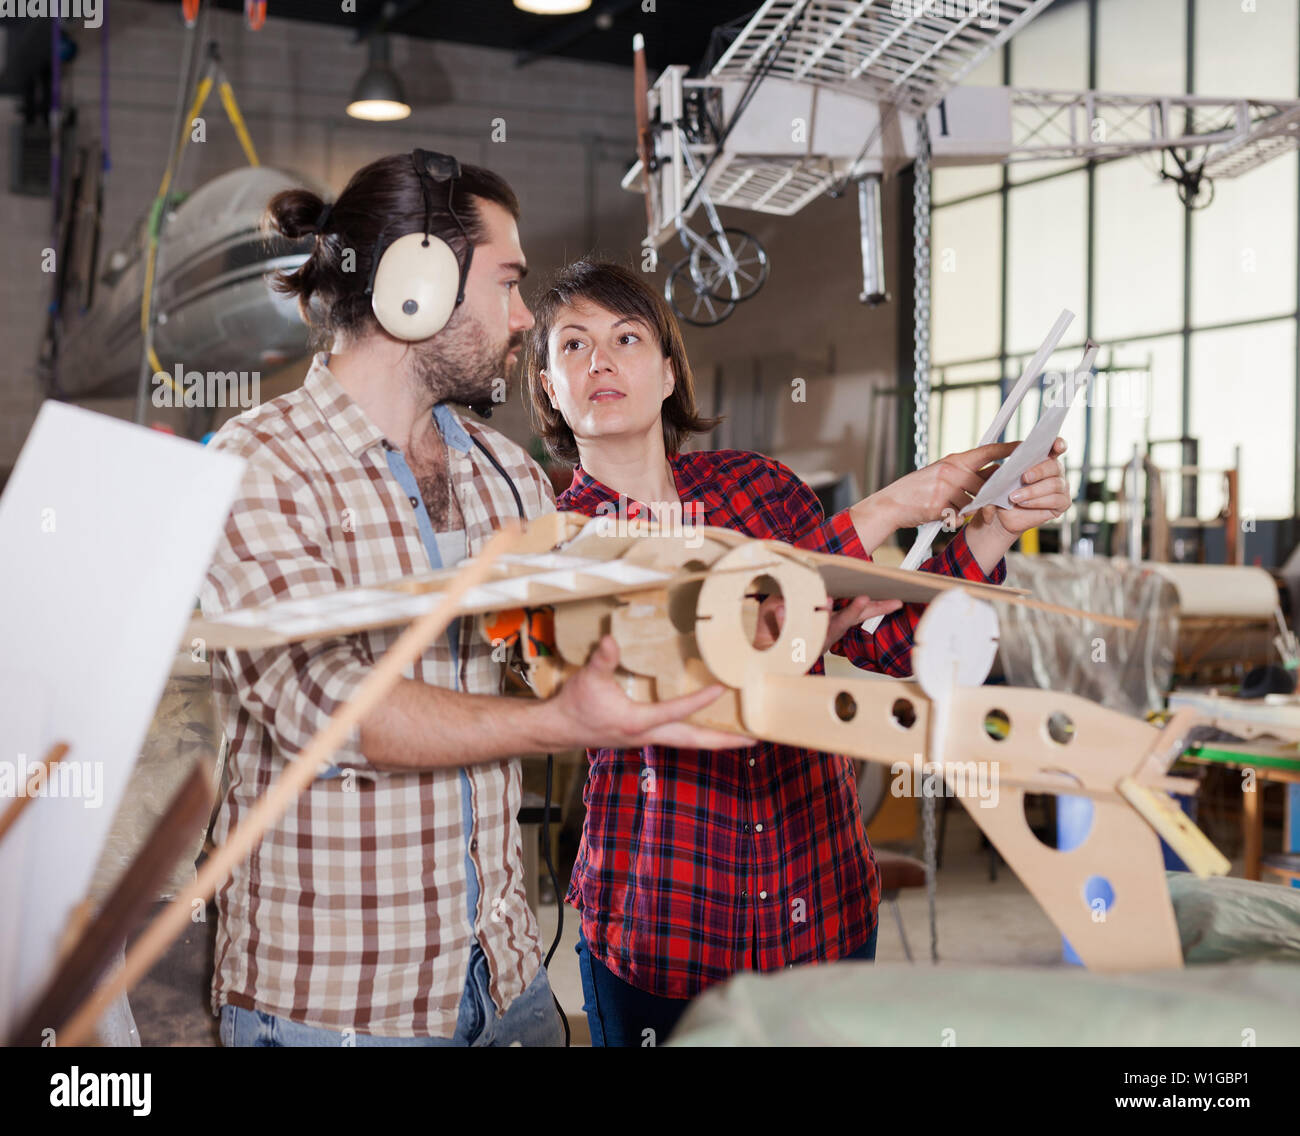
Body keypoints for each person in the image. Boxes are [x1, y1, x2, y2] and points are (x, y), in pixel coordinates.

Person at [200, 157, 745, 1047]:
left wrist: (726, 621)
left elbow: (569, 642)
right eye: (508, 282)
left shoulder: (507, 472)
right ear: (418, 285)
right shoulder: (259, 464)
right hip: (340, 1006)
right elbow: (337, 711)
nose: (525, 318)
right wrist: (566, 721)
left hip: (510, 987)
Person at [521, 260, 1070, 1046]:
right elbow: (712, 652)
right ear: (546, 387)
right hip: (666, 921)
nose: (601, 360)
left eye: (626, 337)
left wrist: (991, 527)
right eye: (573, 345)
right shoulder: (561, 537)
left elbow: (896, 644)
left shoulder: (760, 490)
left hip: (820, 894)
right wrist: (892, 507)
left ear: (669, 372)